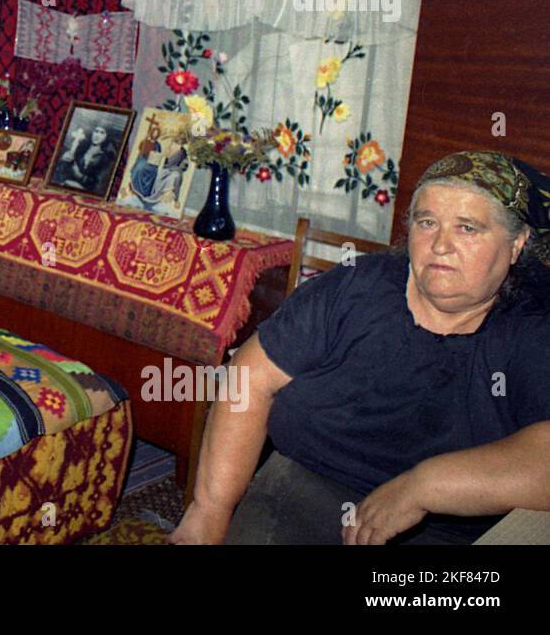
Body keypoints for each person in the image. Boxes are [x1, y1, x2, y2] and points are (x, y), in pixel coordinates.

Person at [171, 150, 550, 545]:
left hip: (445, 526)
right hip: (302, 491)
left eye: (468, 228)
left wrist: (424, 486)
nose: (440, 245)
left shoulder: (531, 327)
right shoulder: (355, 287)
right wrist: (209, 510)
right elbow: (249, 378)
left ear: (516, 244)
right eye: (427, 222)